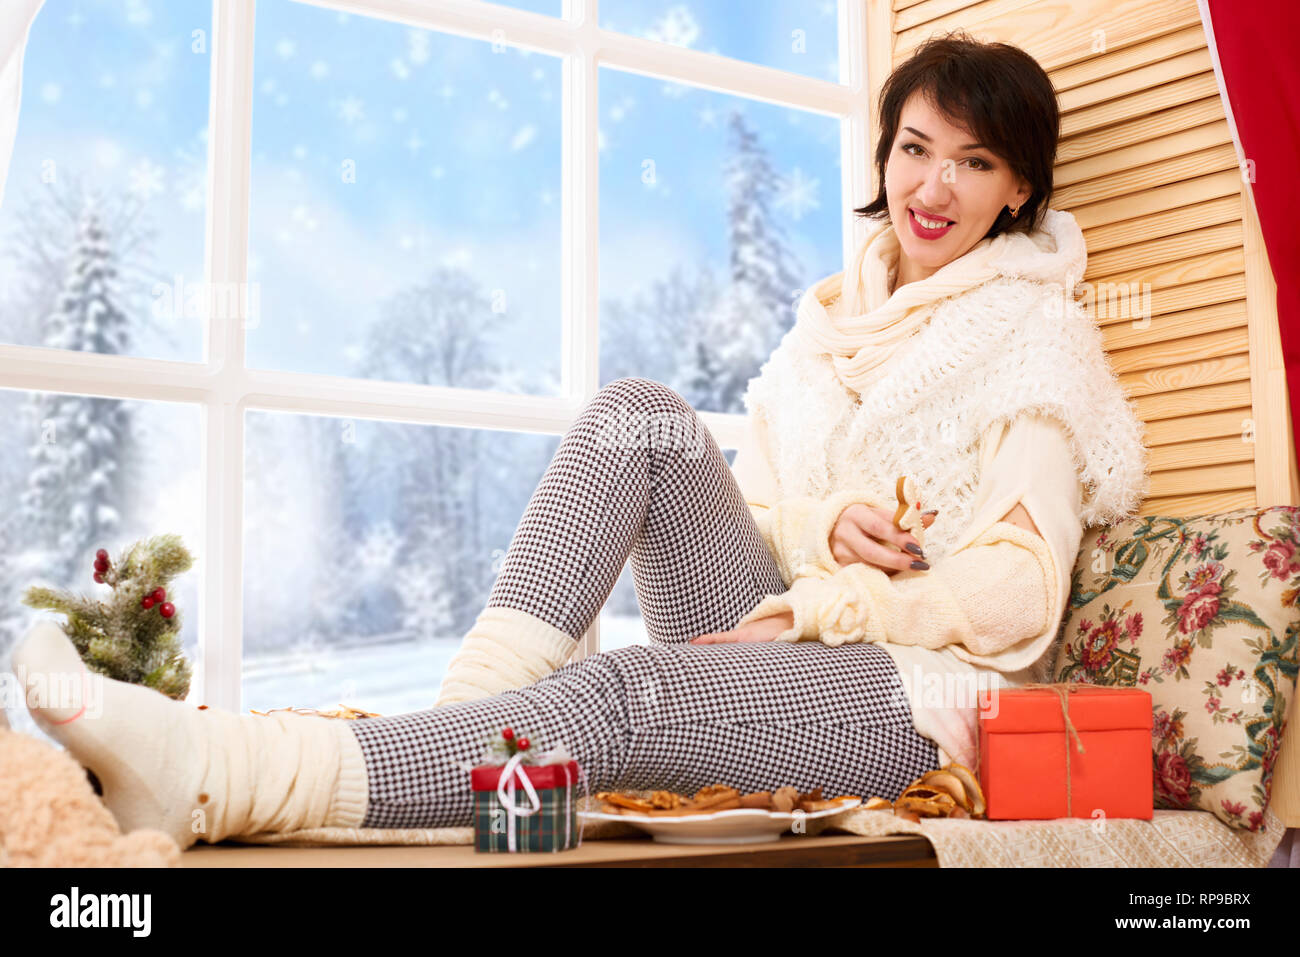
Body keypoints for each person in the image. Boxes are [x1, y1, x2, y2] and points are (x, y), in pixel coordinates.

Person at [10, 32, 1148, 849]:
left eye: (974, 162)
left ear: (1019, 190)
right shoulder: (823, 334)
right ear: (884, 157)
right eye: (915, 147)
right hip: (772, 645)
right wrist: (812, 533)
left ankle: (216, 776)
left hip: (914, 696)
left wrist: (825, 605)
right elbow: (754, 522)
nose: (932, 185)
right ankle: (457, 734)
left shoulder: (1034, 338)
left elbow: (1015, 594)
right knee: (639, 408)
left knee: (622, 694)